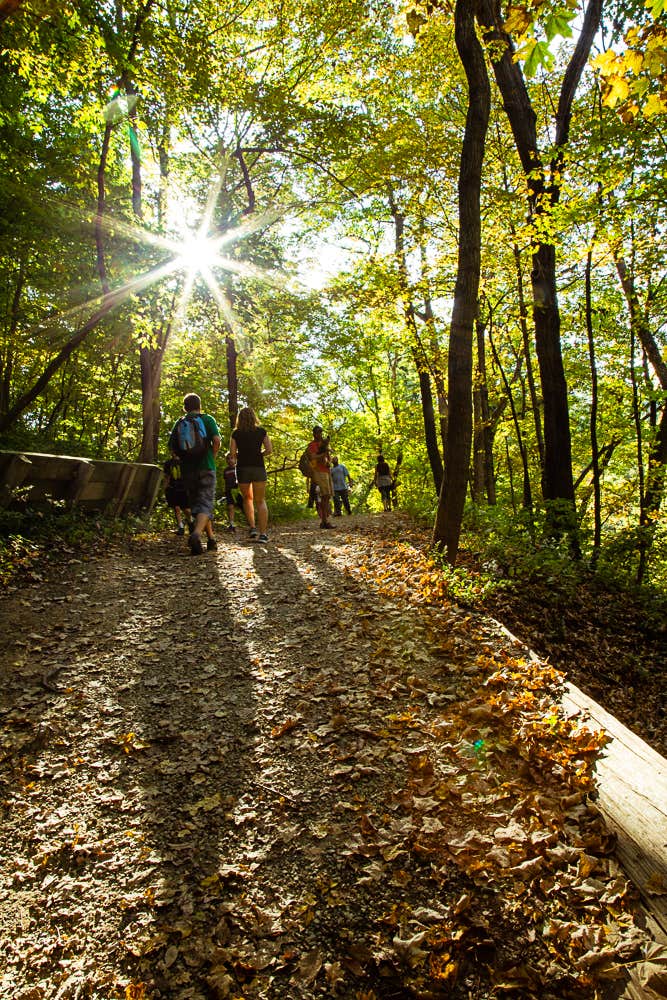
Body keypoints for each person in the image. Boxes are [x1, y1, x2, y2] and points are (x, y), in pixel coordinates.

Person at [168, 392, 221, 556]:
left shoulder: (179, 423)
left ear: (185, 407)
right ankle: (196, 534)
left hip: (188, 471)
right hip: (206, 467)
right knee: (205, 504)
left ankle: (211, 539)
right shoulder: (207, 419)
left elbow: (172, 448)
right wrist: (212, 456)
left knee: (197, 505)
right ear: (200, 405)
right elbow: (217, 440)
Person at [230, 406, 273, 543]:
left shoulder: (236, 433)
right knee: (260, 500)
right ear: (254, 417)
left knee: (247, 498)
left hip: (242, 468)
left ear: (240, 418)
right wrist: (259, 454)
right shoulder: (261, 431)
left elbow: (232, 454)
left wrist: (241, 455)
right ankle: (263, 534)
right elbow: (269, 450)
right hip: (258, 467)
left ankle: (253, 528)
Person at [307, 426, 334, 528]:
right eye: (318, 433)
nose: (320, 434)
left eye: (321, 433)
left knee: (327, 496)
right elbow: (313, 457)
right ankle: (324, 521)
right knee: (324, 495)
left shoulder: (323, 443)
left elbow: (328, 457)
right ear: (314, 434)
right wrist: (323, 454)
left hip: (326, 471)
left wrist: (329, 461)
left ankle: (324, 521)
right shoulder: (312, 445)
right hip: (319, 471)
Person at [162, 456, 192, 535]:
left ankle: (190, 523)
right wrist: (164, 489)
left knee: (187, 510)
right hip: (172, 488)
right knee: (176, 508)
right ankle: (181, 527)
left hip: (184, 489)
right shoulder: (168, 463)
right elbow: (166, 477)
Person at [222, 452, 238, 533]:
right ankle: (232, 524)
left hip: (238, 491)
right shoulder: (226, 470)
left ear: (235, 459)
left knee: (244, 507)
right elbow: (225, 481)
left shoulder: (238, 468)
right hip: (229, 491)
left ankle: (252, 524)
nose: (230, 460)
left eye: (232, 458)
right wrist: (224, 490)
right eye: (228, 459)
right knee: (230, 507)